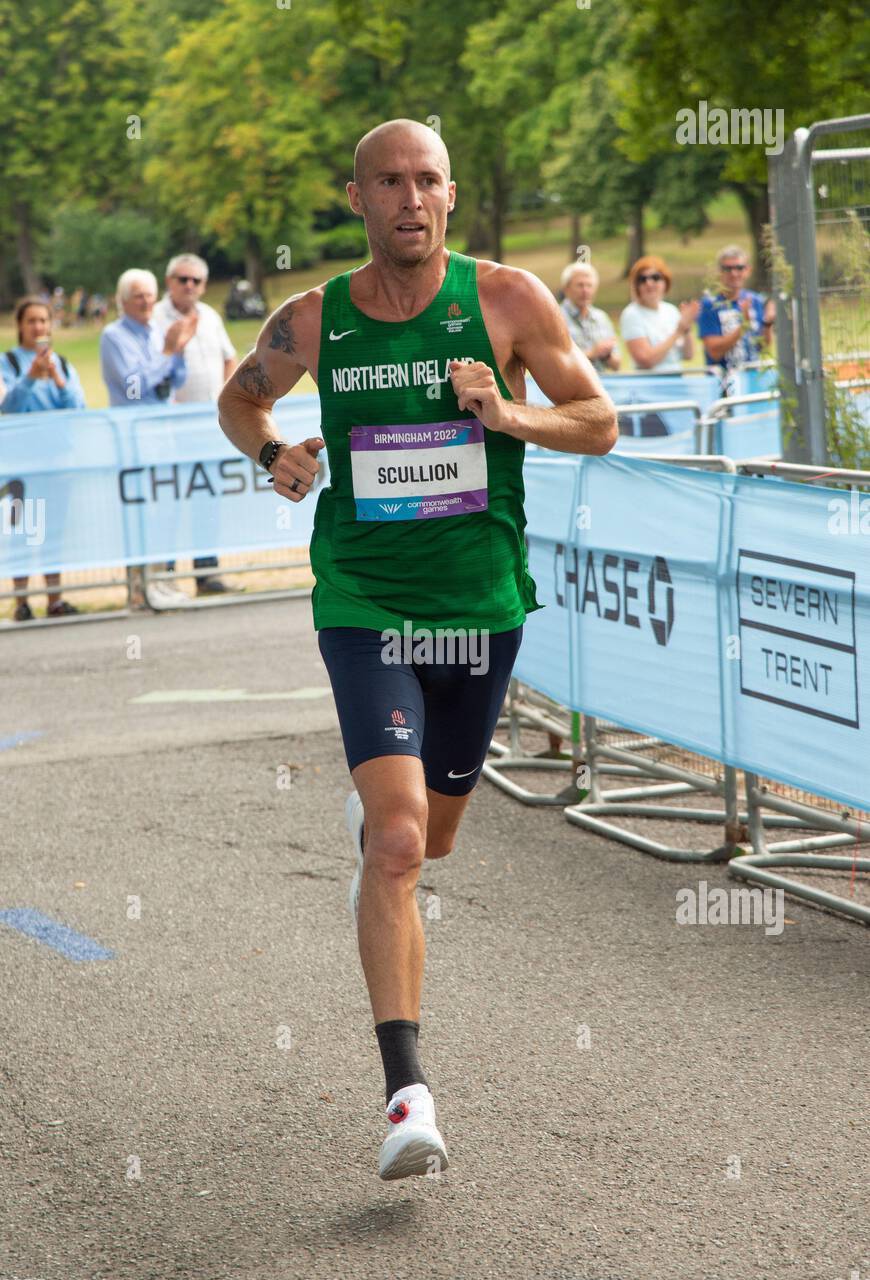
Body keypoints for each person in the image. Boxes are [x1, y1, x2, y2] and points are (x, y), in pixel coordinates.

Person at [218, 117, 618, 1181]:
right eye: (388, 180)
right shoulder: (313, 319)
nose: (410, 197)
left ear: (451, 198)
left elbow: (601, 419)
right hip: (364, 600)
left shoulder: (507, 302)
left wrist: (507, 414)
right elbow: (239, 394)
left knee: (433, 841)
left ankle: (389, 810)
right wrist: (273, 451)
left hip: (480, 606)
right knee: (395, 845)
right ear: (356, 197)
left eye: (427, 180)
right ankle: (408, 1096)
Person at [100, 268, 198, 608]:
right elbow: (134, 386)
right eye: (138, 296)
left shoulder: (158, 331)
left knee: (167, 510)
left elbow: (175, 379)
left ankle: (164, 581)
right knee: (141, 512)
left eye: (149, 295)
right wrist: (169, 354)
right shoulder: (113, 336)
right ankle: (140, 588)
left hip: (164, 432)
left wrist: (180, 350)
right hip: (134, 438)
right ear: (124, 300)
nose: (145, 302)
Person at [153, 253, 238, 596]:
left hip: (211, 426)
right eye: (182, 279)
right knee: (172, 500)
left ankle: (207, 573)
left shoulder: (210, 316)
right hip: (173, 429)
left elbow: (229, 356)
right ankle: (168, 575)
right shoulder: (157, 317)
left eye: (196, 281)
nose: (189, 286)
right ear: (169, 281)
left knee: (208, 499)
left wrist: (228, 396)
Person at [0, 297, 87, 621]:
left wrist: (57, 379)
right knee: (22, 530)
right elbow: (8, 406)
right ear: (20, 326)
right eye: (31, 321)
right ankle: (22, 601)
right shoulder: (7, 364)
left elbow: (77, 407)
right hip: (21, 465)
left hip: (56, 461)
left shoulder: (61, 363)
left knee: (54, 531)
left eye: (43, 321)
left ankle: (55, 599)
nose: (38, 327)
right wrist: (31, 377)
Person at [698, 244, 776, 393]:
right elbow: (714, 351)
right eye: (728, 269)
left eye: (739, 268)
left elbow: (763, 347)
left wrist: (767, 323)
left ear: (748, 270)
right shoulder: (711, 305)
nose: (734, 273)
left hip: (753, 380)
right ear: (719, 272)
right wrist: (742, 328)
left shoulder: (756, 301)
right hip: (723, 385)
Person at [620, 256, 699, 371]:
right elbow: (646, 360)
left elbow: (688, 355)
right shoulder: (632, 314)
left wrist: (686, 329)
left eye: (655, 278)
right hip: (650, 383)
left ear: (665, 282)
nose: (649, 283)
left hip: (676, 380)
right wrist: (678, 332)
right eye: (642, 279)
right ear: (636, 286)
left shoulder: (671, 310)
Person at [559, 261, 620, 372]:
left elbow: (617, 365)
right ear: (566, 288)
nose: (585, 290)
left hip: (601, 384)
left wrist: (607, 354)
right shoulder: (556, 318)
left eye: (589, 285)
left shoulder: (601, 317)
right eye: (580, 285)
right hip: (568, 385)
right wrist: (592, 353)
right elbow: (556, 362)